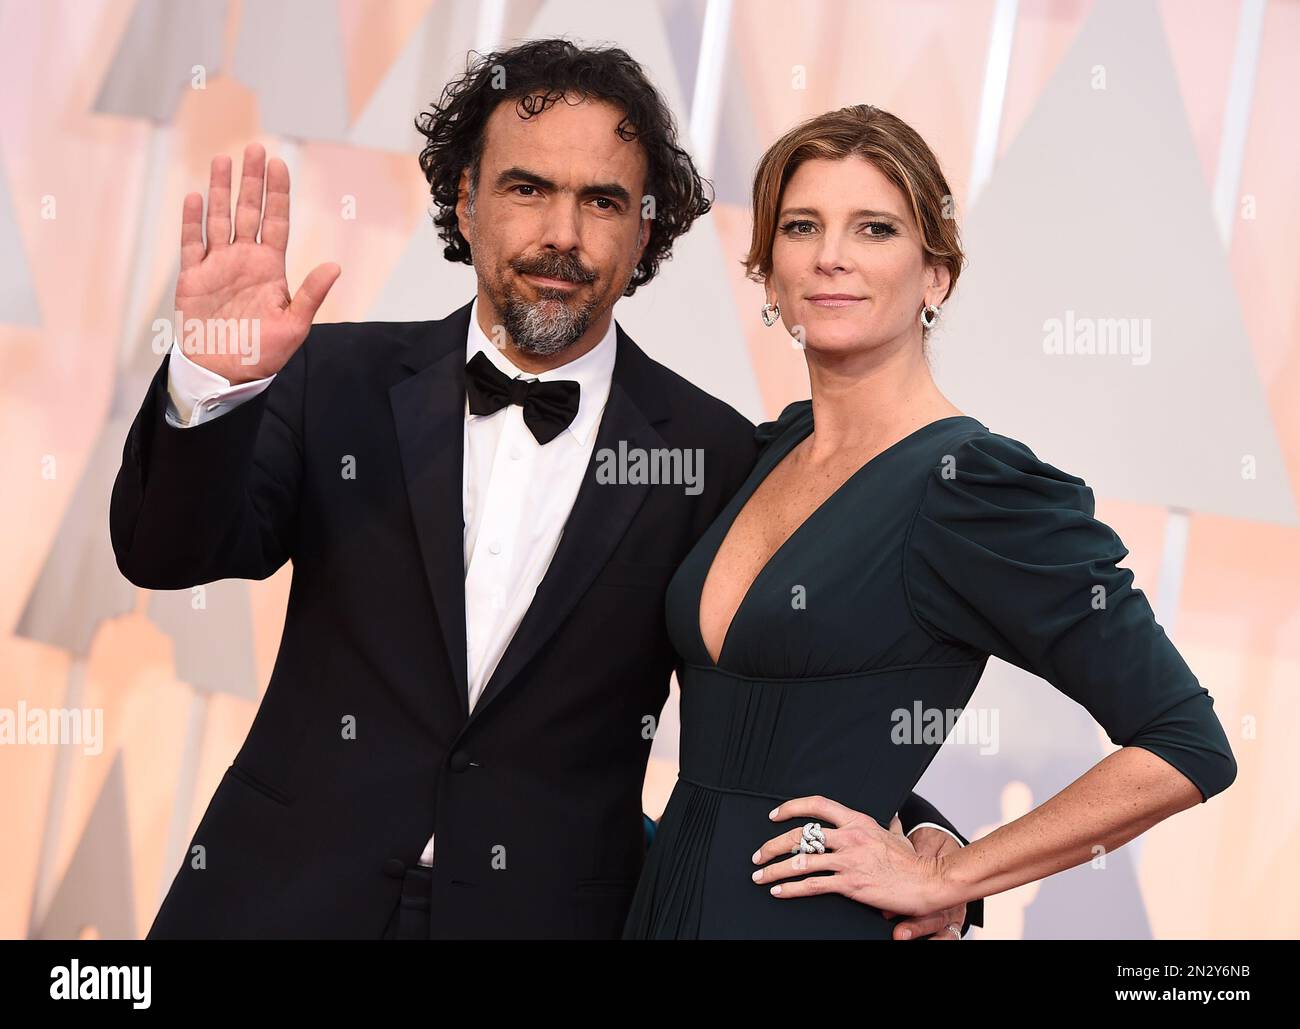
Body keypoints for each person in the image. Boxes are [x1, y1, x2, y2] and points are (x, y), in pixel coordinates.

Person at [110, 41, 980, 940]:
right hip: (276, 900)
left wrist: (921, 835)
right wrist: (211, 385)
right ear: (466, 201)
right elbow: (166, 553)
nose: (562, 234)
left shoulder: (712, 451)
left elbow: (766, 705)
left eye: (601, 201)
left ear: (644, 231)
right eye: (527, 188)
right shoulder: (334, 376)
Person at [622, 104, 1237, 939]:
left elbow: (1184, 742)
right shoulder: (756, 455)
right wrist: (917, 814)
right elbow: (799, 722)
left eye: (874, 228)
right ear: (769, 273)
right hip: (661, 909)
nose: (832, 255)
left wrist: (956, 871)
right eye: (803, 226)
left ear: (935, 276)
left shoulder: (975, 488)